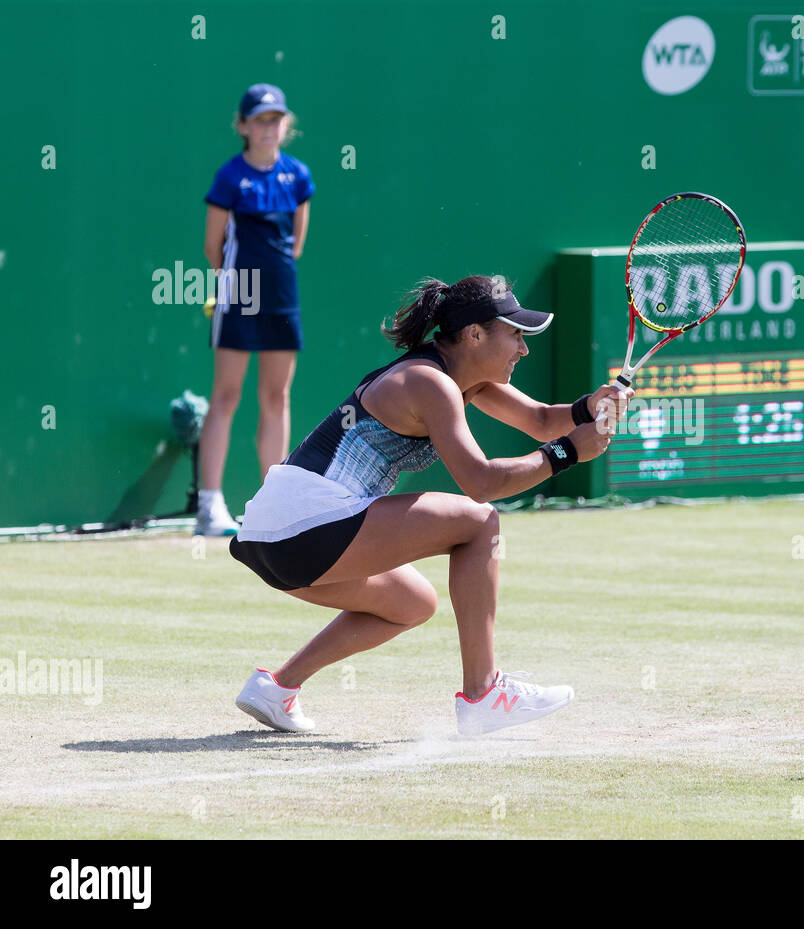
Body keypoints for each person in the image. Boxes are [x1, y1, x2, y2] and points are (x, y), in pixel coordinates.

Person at [228, 275, 631, 737]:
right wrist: (567, 453)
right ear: (475, 334)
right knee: (480, 523)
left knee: (412, 604)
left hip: (271, 541)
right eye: (516, 334)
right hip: (307, 527)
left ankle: (276, 689)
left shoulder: (462, 379)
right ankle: (483, 695)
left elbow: (540, 420)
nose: (524, 349)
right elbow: (481, 482)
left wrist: (590, 408)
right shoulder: (428, 383)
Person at [197, 84, 315, 536]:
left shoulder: (299, 176)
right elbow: (213, 247)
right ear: (243, 127)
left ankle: (272, 504)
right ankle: (210, 507)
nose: (269, 127)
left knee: (277, 396)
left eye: (276, 119)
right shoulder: (229, 178)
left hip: (283, 296)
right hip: (239, 293)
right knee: (226, 395)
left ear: (285, 125)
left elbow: (296, 244)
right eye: (260, 119)